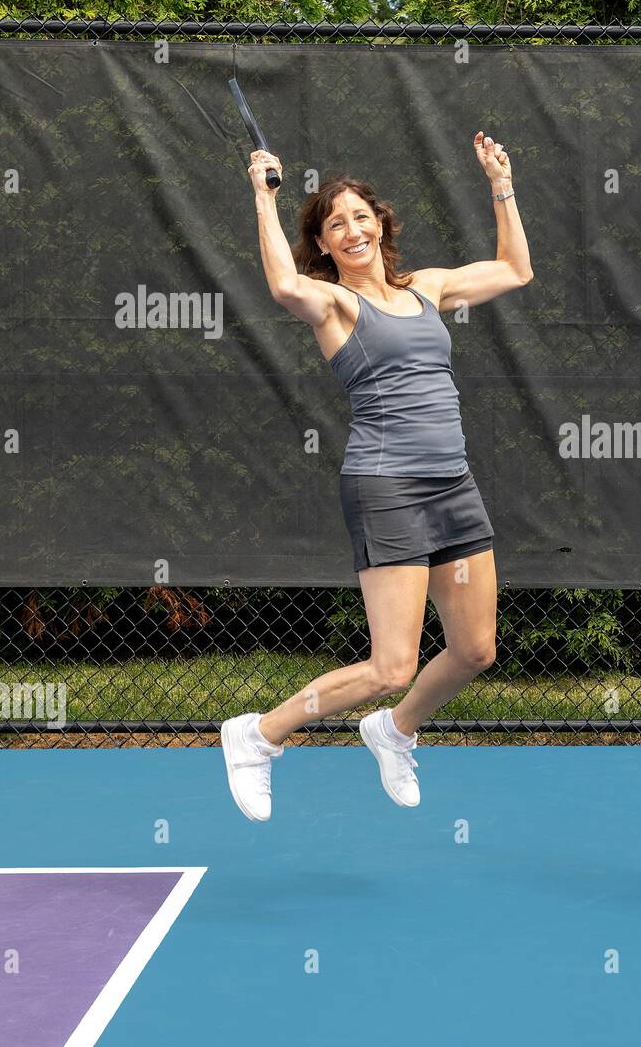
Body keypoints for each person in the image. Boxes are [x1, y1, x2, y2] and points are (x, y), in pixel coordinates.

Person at [220, 133, 530, 821]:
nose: (352, 229)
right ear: (324, 245)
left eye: (361, 216)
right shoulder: (332, 306)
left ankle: (394, 729)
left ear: (382, 225)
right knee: (390, 665)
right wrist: (262, 197)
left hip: (452, 485)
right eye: (336, 224)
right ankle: (259, 734)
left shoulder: (425, 288)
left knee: (476, 649)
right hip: (386, 487)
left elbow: (514, 269)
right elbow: (278, 284)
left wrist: (500, 184)